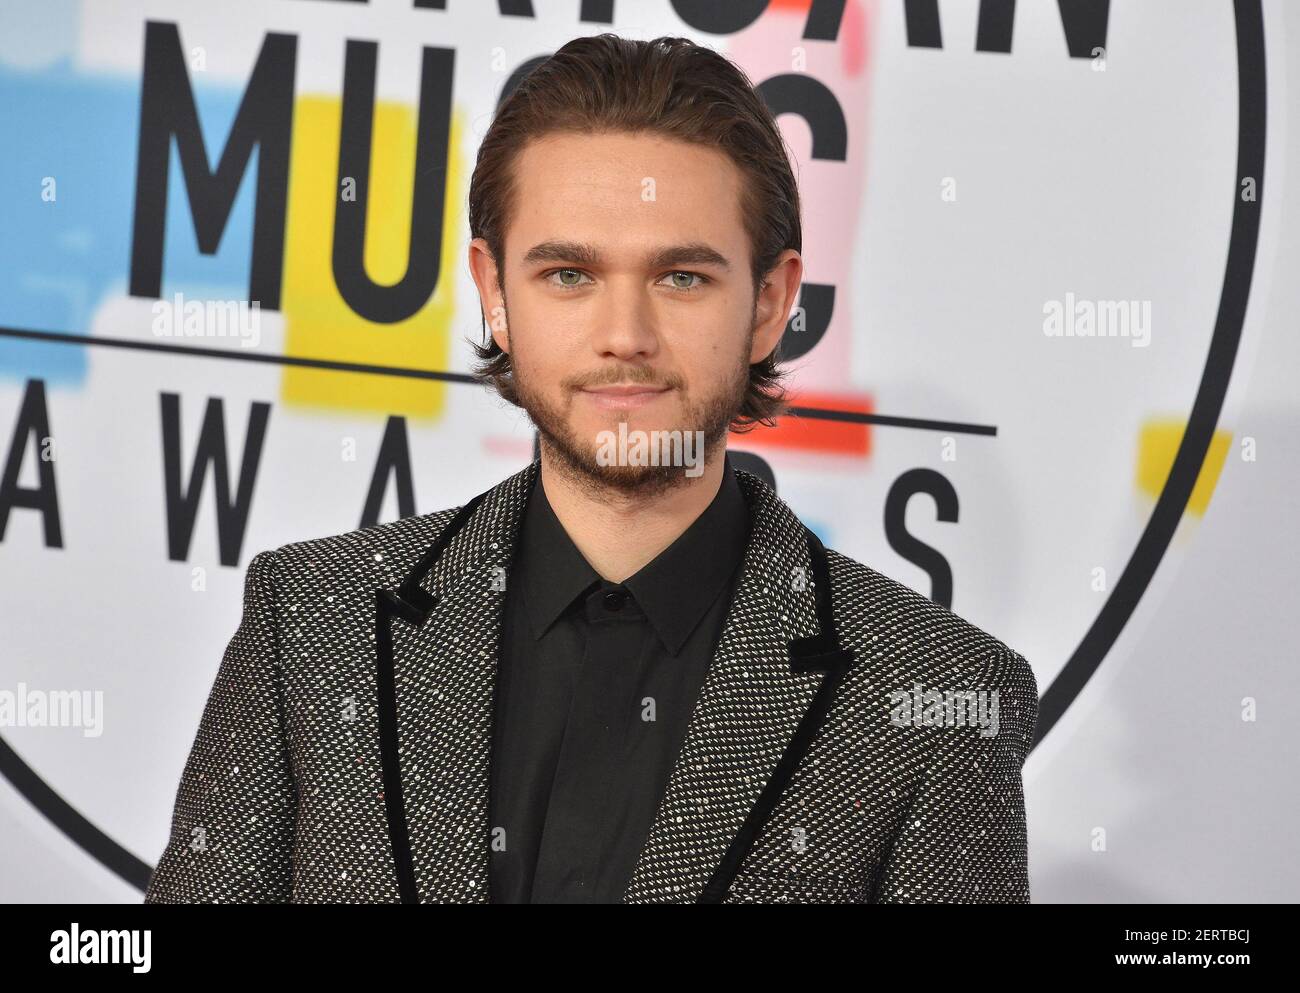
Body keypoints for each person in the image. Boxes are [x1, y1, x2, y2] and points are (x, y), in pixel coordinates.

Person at [145, 33, 1037, 904]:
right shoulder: (310, 622)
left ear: (770, 305)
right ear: (495, 293)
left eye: (682, 278)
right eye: (569, 274)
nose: (626, 335)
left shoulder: (938, 699)